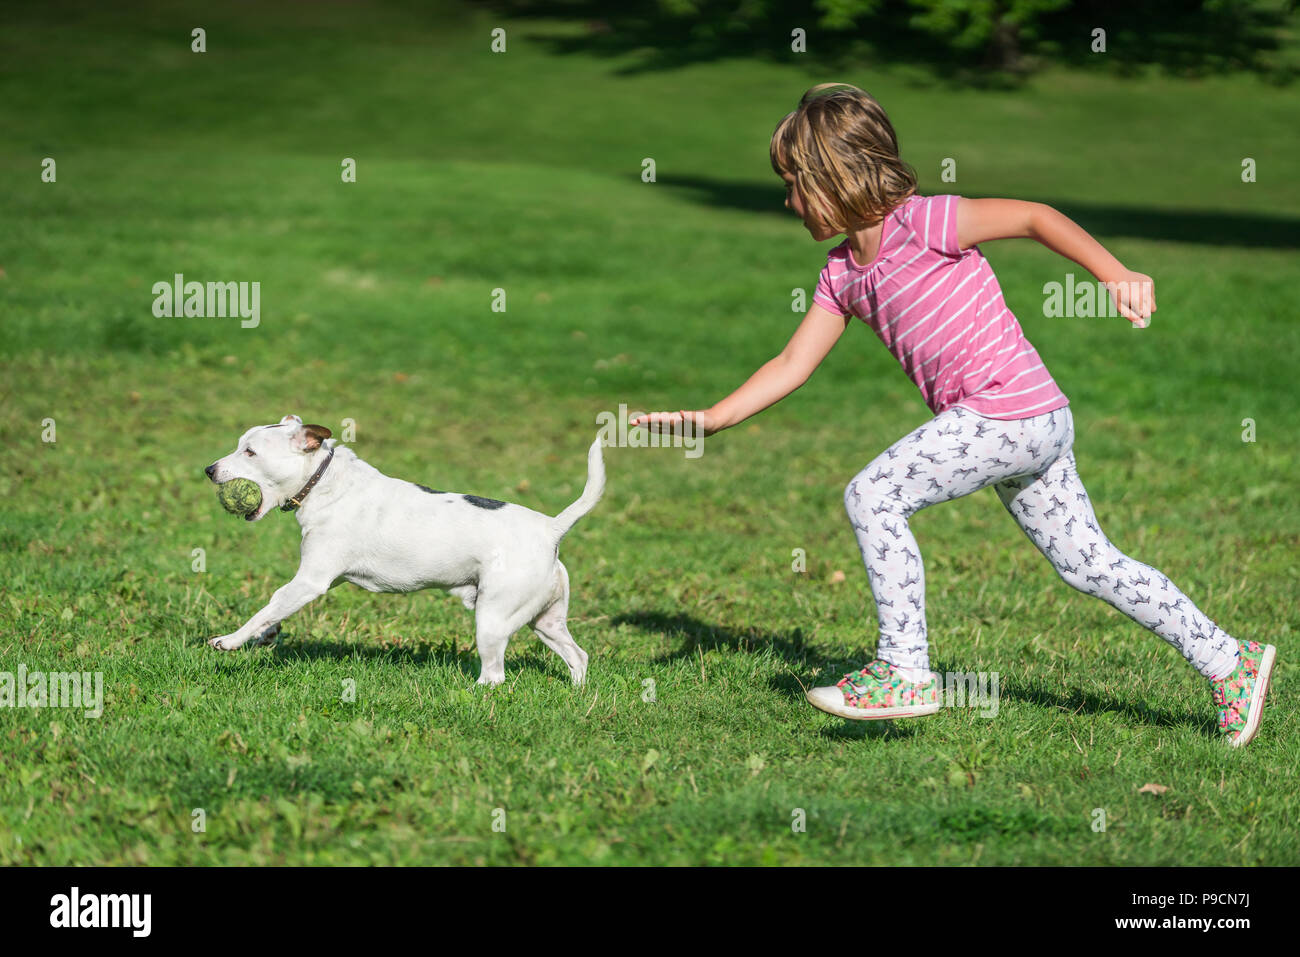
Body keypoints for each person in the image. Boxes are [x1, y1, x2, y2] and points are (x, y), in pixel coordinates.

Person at [631, 83, 1273, 746]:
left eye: (794, 183)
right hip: (1032, 420)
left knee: (873, 493)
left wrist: (1115, 274)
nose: (788, 200)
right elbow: (792, 363)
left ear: (835, 177)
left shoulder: (925, 222)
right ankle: (1232, 662)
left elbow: (1034, 217)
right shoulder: (841, 275)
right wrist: (714, 418)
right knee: (1089, 563)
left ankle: (905, 670)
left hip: (1007, 412)